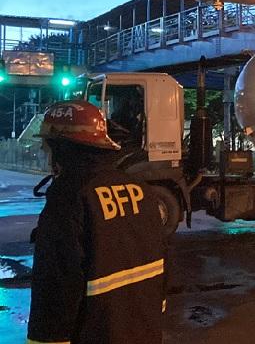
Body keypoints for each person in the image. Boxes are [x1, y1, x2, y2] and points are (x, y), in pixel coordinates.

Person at [27, 100, 166, 344]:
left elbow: (57, 285)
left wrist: (46, 339)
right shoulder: (142, 190)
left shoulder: (69, 198)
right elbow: (161, 259)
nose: (43, 152)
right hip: (145, 331)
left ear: (62, 149)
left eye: (47, 146)